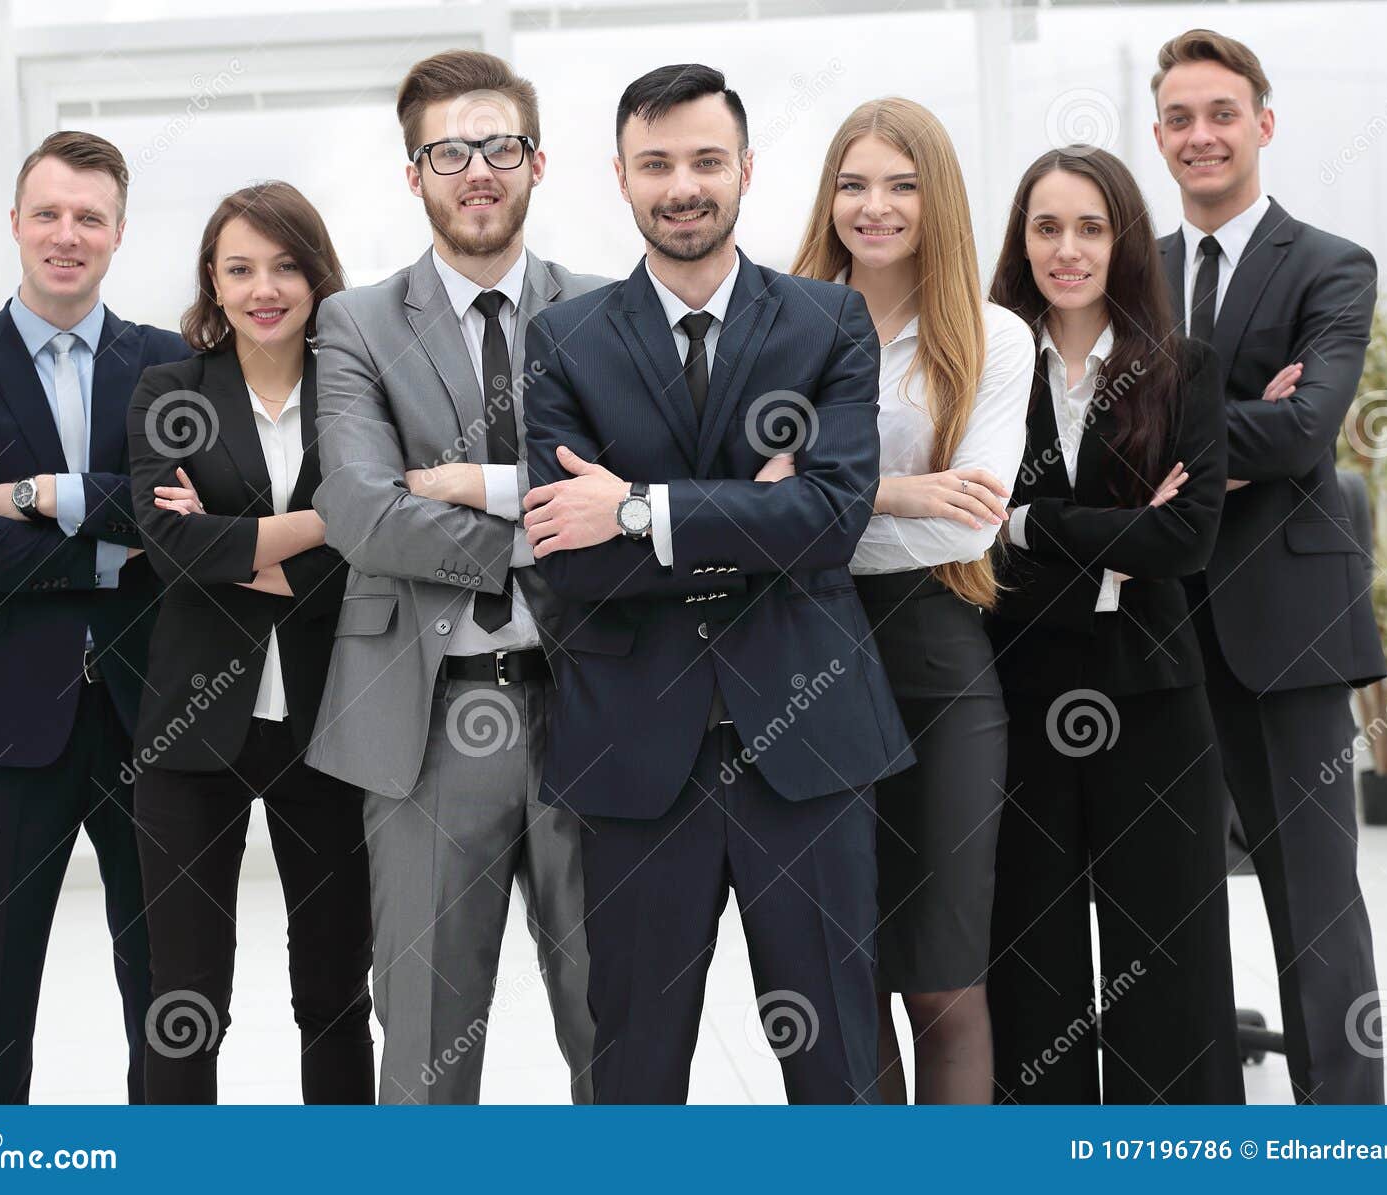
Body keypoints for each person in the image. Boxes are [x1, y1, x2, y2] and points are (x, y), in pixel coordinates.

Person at [520, 63, 912, 1105]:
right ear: (620, 177)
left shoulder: (827, 324)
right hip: (634, 745)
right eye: (656, 164)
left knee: (837, 1060)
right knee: (636, 1065)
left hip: (809, 728)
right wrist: (751, 509)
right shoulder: (562, 341)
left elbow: (832, 518)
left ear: (744, 168)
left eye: (703, 160)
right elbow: (572, 555)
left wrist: (643, 510)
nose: (681, 185)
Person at [305, 50, 600, 1105]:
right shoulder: (356, 324)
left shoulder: (608, 310)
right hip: (429, 725)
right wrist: (556, 524)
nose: (478, 168)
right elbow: (360, 511)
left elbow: (650, 495)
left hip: (596, 713)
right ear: (414, 171)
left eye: (500, 146)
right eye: (449, 149)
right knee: (427, 1040)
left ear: (536, 161)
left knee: (617, 1028)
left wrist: (477, 484)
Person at [0, 131, 188, 1104]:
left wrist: (28, 494)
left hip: (156, 714)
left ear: (117, 233)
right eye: (49, 213)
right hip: (1, 722)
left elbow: (184, 511)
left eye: (90, 217)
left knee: (169, 981)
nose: (68, 234)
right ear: (17, 224)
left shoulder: (171, 363)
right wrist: (118, 540)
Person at [1152, 28, 1387, 1104]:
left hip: (1285, 626)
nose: (1200, 135)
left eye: (1220, 114)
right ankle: (1205, 1121)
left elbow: (1307, 434)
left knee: (1312, 895)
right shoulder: (1132, 271)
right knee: (1169, 894)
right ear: (1158, 135)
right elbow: (1093, 437)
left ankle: (1341, 1135)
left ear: (1262, 124)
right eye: (1180, 118)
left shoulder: (1331, 263)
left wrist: (1174, 442)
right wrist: (1243, 424)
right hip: (1148, 626)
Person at [984, 146, 1244, 1104]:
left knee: (1169, 953)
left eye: (1090, 227)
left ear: (1122, 241)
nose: (1068, 249)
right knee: (1032, 953)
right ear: (1022, 240)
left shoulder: (1183, 368)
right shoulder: (987, 365)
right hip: (1017, 689)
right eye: (1047, 227)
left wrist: (1039, 522)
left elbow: (1186, 539)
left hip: (1153, 694)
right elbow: (974, 535)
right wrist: (1116, 538)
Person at [790, 97, 1034, 1105]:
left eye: (900, 184)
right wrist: (892, 491)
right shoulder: (781, 319)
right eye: (853, 183)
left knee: (940, 977)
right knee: (844, 977)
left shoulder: (992, 336)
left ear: (936, 200)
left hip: (937, 663)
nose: (874, 206)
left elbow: (968, 525)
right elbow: (739, 505)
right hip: (800, 661)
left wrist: (810, 504)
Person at [124, 182, 372, 1104]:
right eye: (239, 269)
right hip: (191, 736)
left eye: (284, 265)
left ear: (315, 275)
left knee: (336, 994)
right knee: (184, 999)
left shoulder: (357, 390)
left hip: (332, 727)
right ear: (213, 284)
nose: (263, 287)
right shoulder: (169, 391)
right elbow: (170, 547)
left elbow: (381, 537)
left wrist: (244, 545)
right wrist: (325, 521)